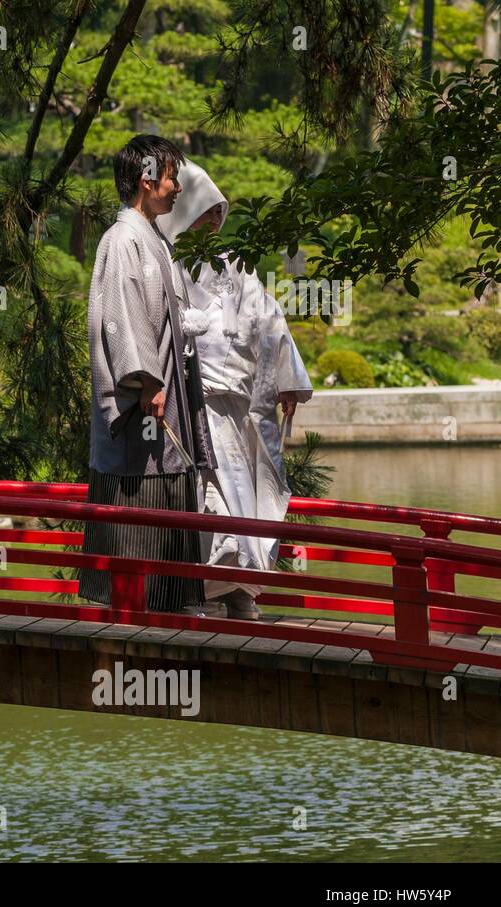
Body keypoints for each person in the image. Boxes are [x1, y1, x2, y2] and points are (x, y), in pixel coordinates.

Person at [155, 160, 313, 620]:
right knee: (205, 498)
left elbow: (268, 321)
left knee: (243, 498)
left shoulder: (232, 269)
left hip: (236, 408)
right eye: (206, 213)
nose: (214, 223)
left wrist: (286, 382)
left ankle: (237, 590)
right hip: (188, 405)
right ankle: (197, 594)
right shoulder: (163, 266)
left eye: (218, 215)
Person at [77, 136, 218, 614]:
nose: (178, 188)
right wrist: (148, 383)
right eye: (172, 177)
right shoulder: (122, 240)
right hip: (145, 406)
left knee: (168, 491)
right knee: (141, 500)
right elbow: (122, 318)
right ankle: (138, 608)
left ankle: (169, 602)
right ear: (148, 178)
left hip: (165, 400)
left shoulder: (152, 236)